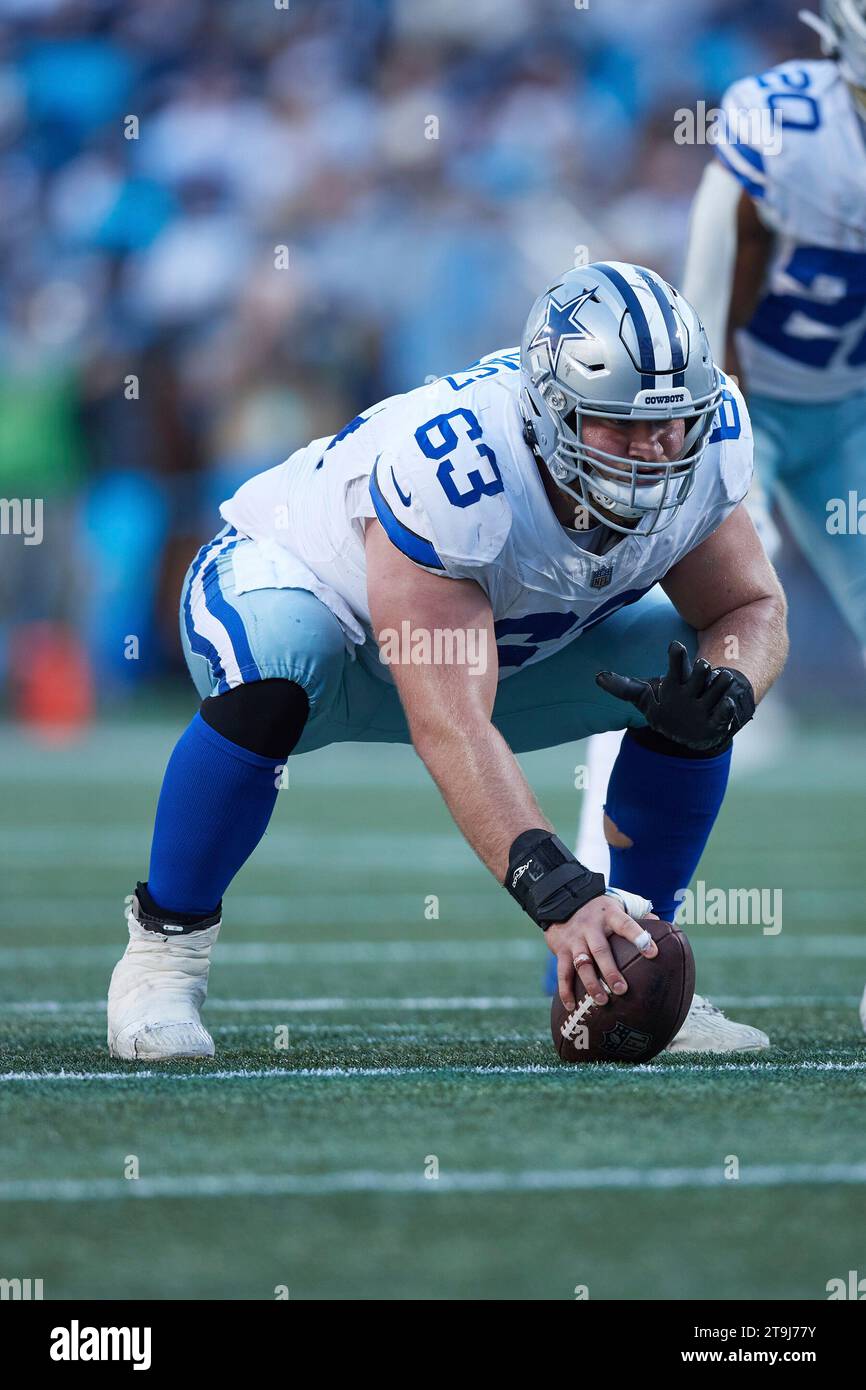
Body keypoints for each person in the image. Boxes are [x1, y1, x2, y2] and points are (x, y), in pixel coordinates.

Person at [107, 261, 787, 1060]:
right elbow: (451, 725)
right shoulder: (459, 467)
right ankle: (162, 959)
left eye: (666, 424)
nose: (650, 450)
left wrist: (732, 692)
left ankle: (624, 954)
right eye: (618, 424)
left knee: (684, 678)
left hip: (501, 649)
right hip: (307, 598)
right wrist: (562, 897)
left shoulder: (702, 447)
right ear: (552, 412)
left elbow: (750, 607)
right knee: (284, 666)